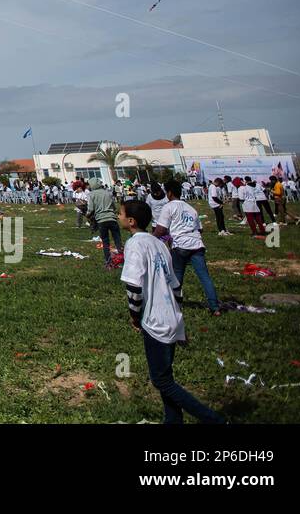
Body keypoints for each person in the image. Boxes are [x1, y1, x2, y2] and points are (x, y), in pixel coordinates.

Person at [120, 199, 224, 424]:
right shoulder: (159, 244)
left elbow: (134, 286)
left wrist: (134, 316)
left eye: (120, 213)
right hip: (172, 316)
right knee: (166, 375)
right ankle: (173, 421)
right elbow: (176, 286)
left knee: (161, 380)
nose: (117, 216)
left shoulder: (135, 245)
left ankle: (214, 420)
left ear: (131, 221)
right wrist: (180, 320)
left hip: (154, 320)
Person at [154, 183, 219, 315]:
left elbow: (160, 229)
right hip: (197, 244)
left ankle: (175, 305)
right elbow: (200, 228)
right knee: (205, 277)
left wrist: (151, 238)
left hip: (180, 245)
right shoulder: (190, 208)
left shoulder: (169, 207)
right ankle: (215, 307)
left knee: (177, 276)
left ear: (170, 193)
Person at [85, 178, 122, 268]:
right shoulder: (107, 192)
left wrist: (87, 215)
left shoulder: (91, 194)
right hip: (112, 219)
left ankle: (108, 262)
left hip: (101, 220)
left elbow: (91, 209)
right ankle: (122, 259)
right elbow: (113, 206)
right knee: (118, 240)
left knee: (105, 242)